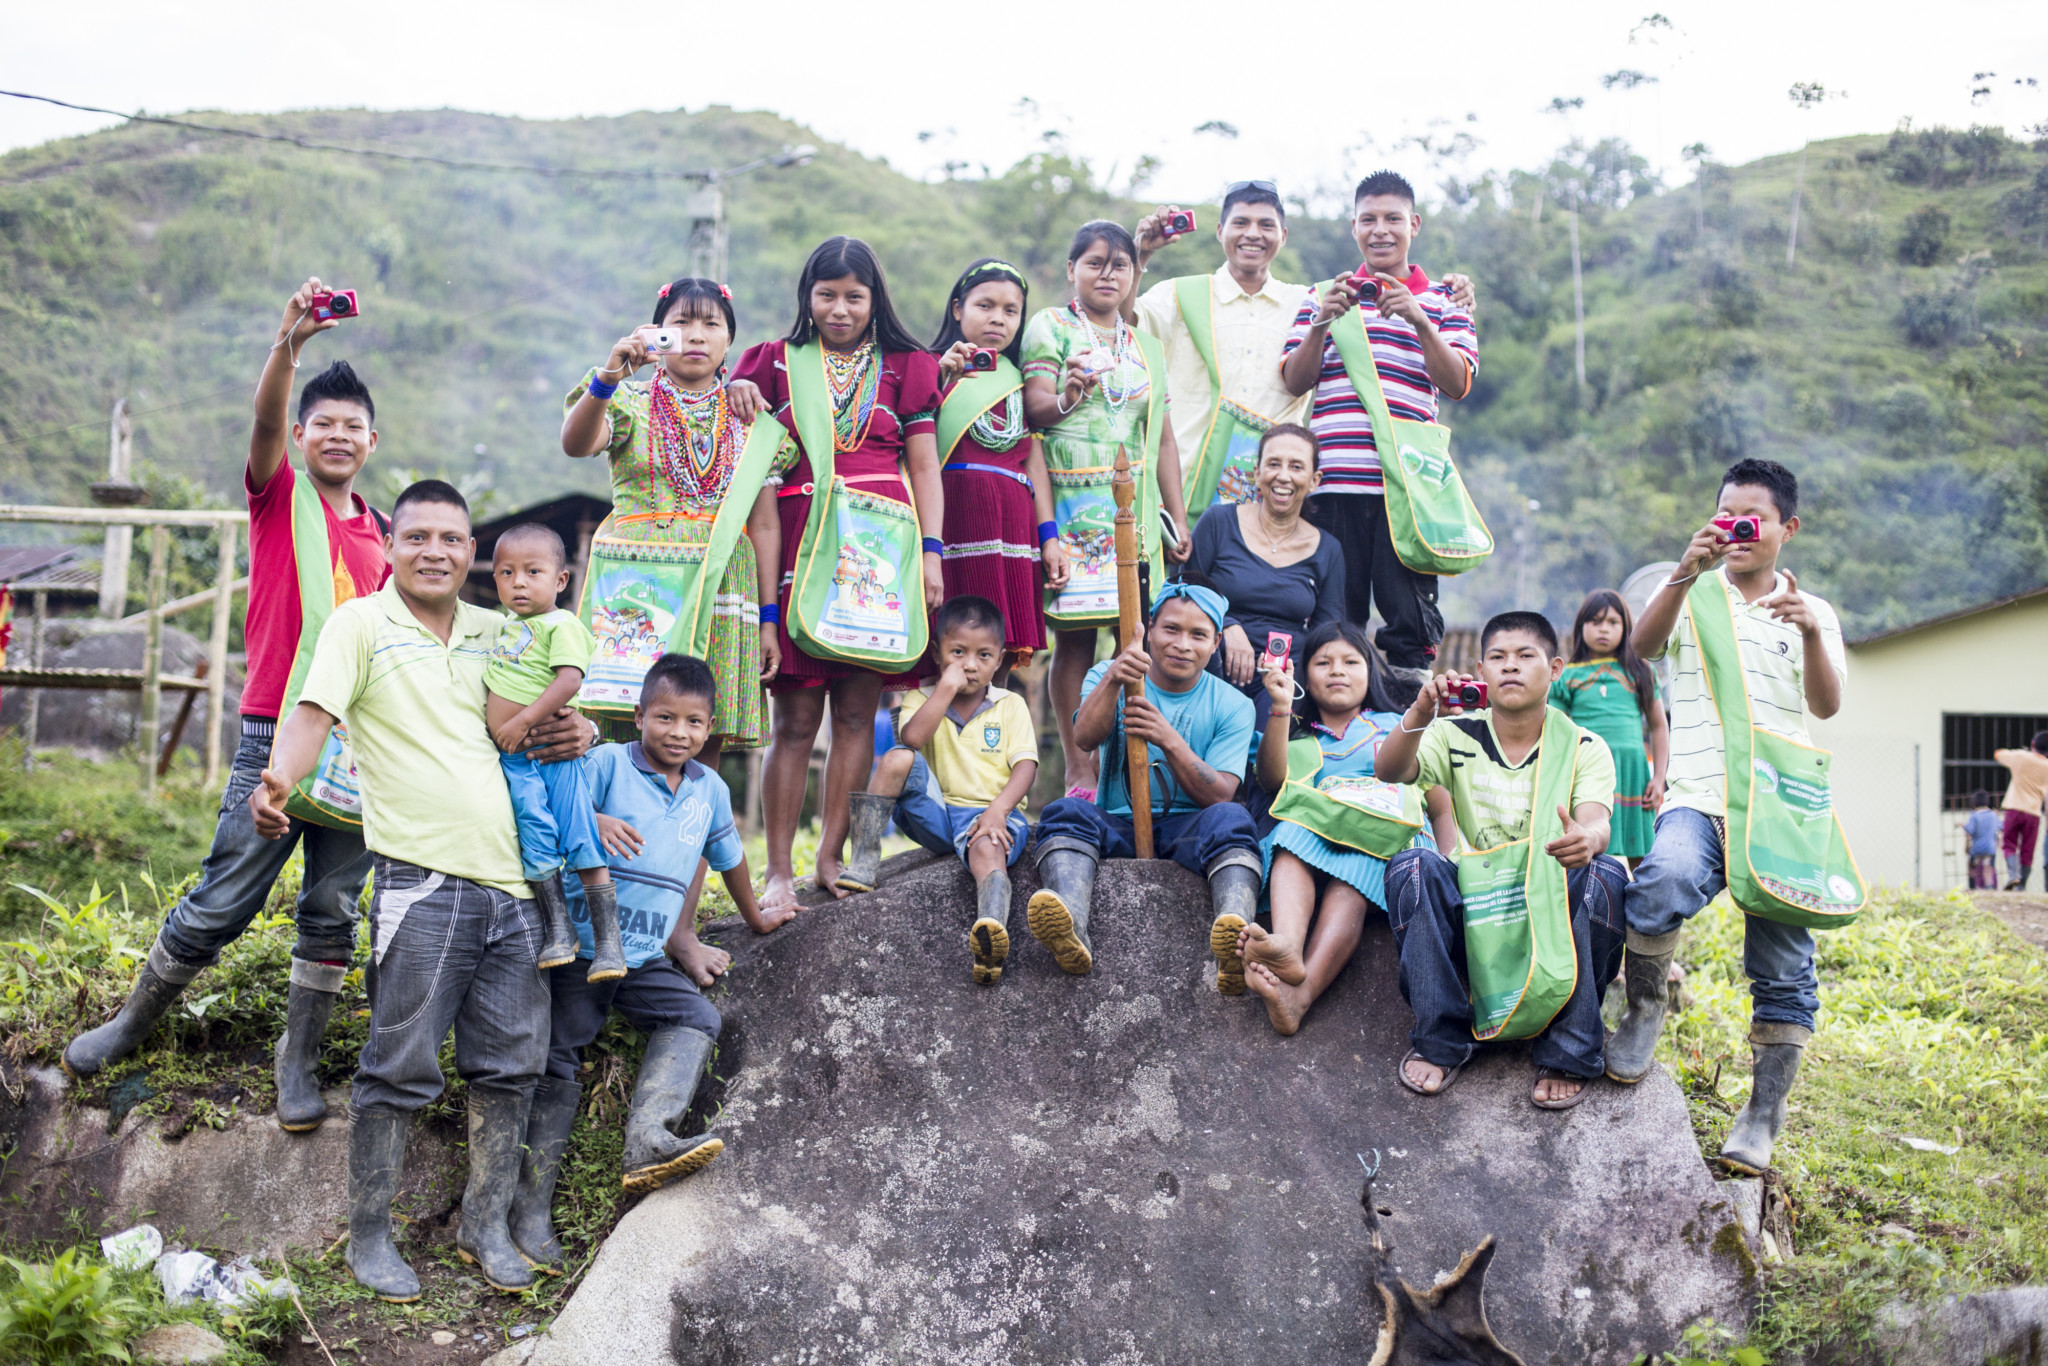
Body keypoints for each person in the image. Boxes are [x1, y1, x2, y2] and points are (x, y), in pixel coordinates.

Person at [60, 283, 603, 1138]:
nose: (339, 435)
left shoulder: (390, 537)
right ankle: (133, 1021)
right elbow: (267, 424)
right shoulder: (282, 497)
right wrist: (289, 344)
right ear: (306, 436)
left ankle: (299, 1058)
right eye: (325, 424)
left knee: (331, 910)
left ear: (374, 441)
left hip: (370, 751)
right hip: (277, 730)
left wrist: (578, 719)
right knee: (224, 896)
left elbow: (471, 656)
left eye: (355, 426)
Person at [250, 480, 594, 1301]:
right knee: (398, 1062)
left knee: (511, 1067)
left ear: (471, 554)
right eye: (417, 538)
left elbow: (555, 707)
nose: (434, 551)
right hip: (422, 879)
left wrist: (580, 728)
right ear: (393, 546)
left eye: (450, 539)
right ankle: (369, 1235)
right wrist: (278, 781)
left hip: (519, 890)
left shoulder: (502, 630)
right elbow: (312, 714)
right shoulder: (361, 625)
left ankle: (484, 1226)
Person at [510, 654, 791, 1274]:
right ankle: (530, 1209)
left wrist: (756, 917)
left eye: (693, 722)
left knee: (695, 1016)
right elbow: (551, 803)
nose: (678, 733)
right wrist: (596, 820)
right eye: (664, 717)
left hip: (642, 956)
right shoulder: (607, 762)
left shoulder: (710, 790)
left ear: (710, 728)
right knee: (559, 1054)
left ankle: (649, 1139)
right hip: (584, 948)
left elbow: (728, 858)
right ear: (638, 716)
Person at [1608, 459, 1847, 1174]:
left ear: (1786, 528)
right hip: (1700, 795)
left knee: (1782, 966)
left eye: (1753, 519)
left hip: (1781, 810)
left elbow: (1827, 706)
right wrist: (1684, 569)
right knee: (1658, 884)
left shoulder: (1815, 610)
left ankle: (1764, 1113)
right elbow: (1642, 649)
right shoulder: (1691, 592)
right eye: (1727, 516)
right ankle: (1646, 1009)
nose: (1738, 530)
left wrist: (1807, 632)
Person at [726, 237, 946, 906]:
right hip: (798, 551)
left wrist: (932, 551)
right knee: (794, 720)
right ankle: (776, 871)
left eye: (855, 295)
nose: (840, 308)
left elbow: (925, 466)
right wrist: (733, 390)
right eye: (827, 295)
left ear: (875, 299)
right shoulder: (771, 363)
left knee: (856, 714)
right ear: (807, 297)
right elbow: (740, 444)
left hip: (879, 560)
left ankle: (830, 858)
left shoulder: (907, 366)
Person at [1373, 612, 1629, 1109]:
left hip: (1545, 908)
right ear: (1479, 669)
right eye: (1498, 657)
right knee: (1412, 866)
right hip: (1478, 906)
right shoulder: (1452, 734)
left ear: (1555, 669)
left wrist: (1589, 839)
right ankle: (1441, 1039)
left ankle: (1570, 1049)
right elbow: (1390, 770)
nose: (1510, 667)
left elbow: (1596, 821)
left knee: (1607, 874)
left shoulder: (1584, 747)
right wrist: (1421, 712)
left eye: (1526, 656)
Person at [1131, 180, 1474, 516]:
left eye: (1266, 225)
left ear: (1284, 235)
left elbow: (1457, 383)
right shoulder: (1182, 294)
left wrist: (1432, 309)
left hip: (1296, 496)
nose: (1253, 234)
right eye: (1241, 223)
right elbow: (1120, 327)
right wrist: (1139, 254)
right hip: (1197, 489)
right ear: (1219, 230)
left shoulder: (1322, 299)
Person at [559, 277, 783, 763]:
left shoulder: (750, 419)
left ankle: (690, 833)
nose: (696, 335)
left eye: (711, 324)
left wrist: (769, 620)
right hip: (641, 581)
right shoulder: (626, 401)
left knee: (706, 728)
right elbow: (576, 444)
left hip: (723, 581)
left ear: (729, 341)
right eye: (681, 323)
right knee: (623, 718)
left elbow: (764, 525)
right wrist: (610, 374)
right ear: (655, 336)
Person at [1279, 170, 1478, 676]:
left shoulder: (1444, 303)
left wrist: (1418, 318)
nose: (1380, 230)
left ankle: (1407, 736)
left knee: (1409, 624)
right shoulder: (1321, 297)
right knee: (1333, 622)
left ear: (1414, 224)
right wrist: (1323, 321)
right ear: (1353, 227)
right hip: (1331, 487)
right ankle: (1330, 737)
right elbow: (1294, 381)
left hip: (1407, 493)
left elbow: (1457, 383)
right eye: (1368, 219)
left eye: (1393, 218)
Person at [1023, 221, 1192, 799]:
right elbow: (1035, 410)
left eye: (1119, 265)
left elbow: (1163, 437)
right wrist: (1068, 396)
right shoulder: (1051, 326)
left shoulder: (1145, 345)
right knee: (1074, 640)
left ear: (1131, 275)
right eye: (1094, 262)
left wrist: (1178, 515)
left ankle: (1129, 764)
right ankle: (1077, 763)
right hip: (1070, 505)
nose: (1107, 274)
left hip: (1135, 510)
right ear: (1072, 269)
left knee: (1134, 640)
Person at [1030, 583, 1262, 987]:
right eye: (1171, 629)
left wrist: (1168, 738)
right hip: (1116, 822)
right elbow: (1084, 739)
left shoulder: (1234, 705)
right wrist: (1116, 679)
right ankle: (1070, 922)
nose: (1182, 644)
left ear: (1217, 642)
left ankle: (1236, 941)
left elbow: (1220, 793)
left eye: (1198, 635)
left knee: (1233, 819)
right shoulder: (1108, 674)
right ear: (1150, 629)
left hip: (1191, 832)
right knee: (1064, 813)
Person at [1240, 620, 1449, 1036]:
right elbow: (1271, 781)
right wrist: (1280, 706)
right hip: (1320, 844)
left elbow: (1439, 804)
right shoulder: (1296, 739)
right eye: (1323, 662)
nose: (1337, 670)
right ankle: (1288, 947)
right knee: (1288, 835)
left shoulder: (1398, 725)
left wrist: (1448, 867)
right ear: (1303, 673)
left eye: (1351, 661)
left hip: (1389, 846)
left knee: (1351, 876)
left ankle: (1301, 994)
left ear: (1370, 670)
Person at [841, 596, 1039, 984]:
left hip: (991, 815)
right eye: (958, 652)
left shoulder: (1009, 704)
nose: (970, 664)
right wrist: (944, 690)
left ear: (999, 661)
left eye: (984, 655)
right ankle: (863, 858)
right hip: (937, 813)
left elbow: (1025, 767)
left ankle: (991, 929)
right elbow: (912, 739)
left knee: (987, 848)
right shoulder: (921, 698)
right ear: (937, 654)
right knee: (897, 758)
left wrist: (998, 809)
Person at [483, 523, 620, 980]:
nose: (518, 582)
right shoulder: (506, 626)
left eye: (532, 571)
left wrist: (521, 720)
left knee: (579, 831)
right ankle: (560, 930)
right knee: (535, 833)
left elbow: (569, 681)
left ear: (560, 581)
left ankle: (609, 945)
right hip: (516, 760)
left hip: (553, 754)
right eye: (506, 573)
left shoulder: (563, 624)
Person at [930, 258, 1068, 675]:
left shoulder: (1019, 379)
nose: (998, 319)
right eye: (984, 306)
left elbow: (1033, 462)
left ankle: (991, 737)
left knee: (998, 648)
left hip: (1011, 526)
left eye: (1011, 311)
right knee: (944, 644)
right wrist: (939, 381)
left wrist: (1049, 538)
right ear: (957, 308)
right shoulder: (927, 368)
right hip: (951, 521)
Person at [1178, 424, 1345, 740]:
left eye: (1296, 467)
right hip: (1210, 662)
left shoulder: (1328, 550)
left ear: (1314, 480)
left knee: (1267, 741)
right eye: (1273, 464)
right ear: (1256, 473)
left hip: (1284, 675)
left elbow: (1327, 633)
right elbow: (1184, 589)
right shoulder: (1218, 522)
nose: (1283, 476)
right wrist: (1226, 623)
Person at [1550, 590, 1669, 865]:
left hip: (1633, 772)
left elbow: (1659, 727)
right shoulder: (1567, 676)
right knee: (1584, 848)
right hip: (1586, 771)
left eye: (1613, 622)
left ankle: (1642, 908)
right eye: (1595, 621)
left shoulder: (1640, 671)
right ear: (1580, 627)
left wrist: (1659, 777)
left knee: (1643, 857)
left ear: (1627, 627)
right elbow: (1554, 723)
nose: (1604, 629)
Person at [1993, 734, 2048, 890]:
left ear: (2032, 744)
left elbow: (1998, 754)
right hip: (2034, 813)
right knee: (2028, 849)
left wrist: (2019, 752)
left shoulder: (2021, 757)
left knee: (2009, 843)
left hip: (2014, 808)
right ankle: (2022, 886)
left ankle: (2013, 875)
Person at [1963, 789, 1999, 890]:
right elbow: (2000, 827)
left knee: (1972, 866)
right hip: (1990, 849)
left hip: (1977, 849)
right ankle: (1989, 887)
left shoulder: (1974, 816)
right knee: (1988, 868)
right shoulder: (1993, 815)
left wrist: (1962, 826)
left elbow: (1970, 830)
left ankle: (1972, 887)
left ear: (1974, 804)